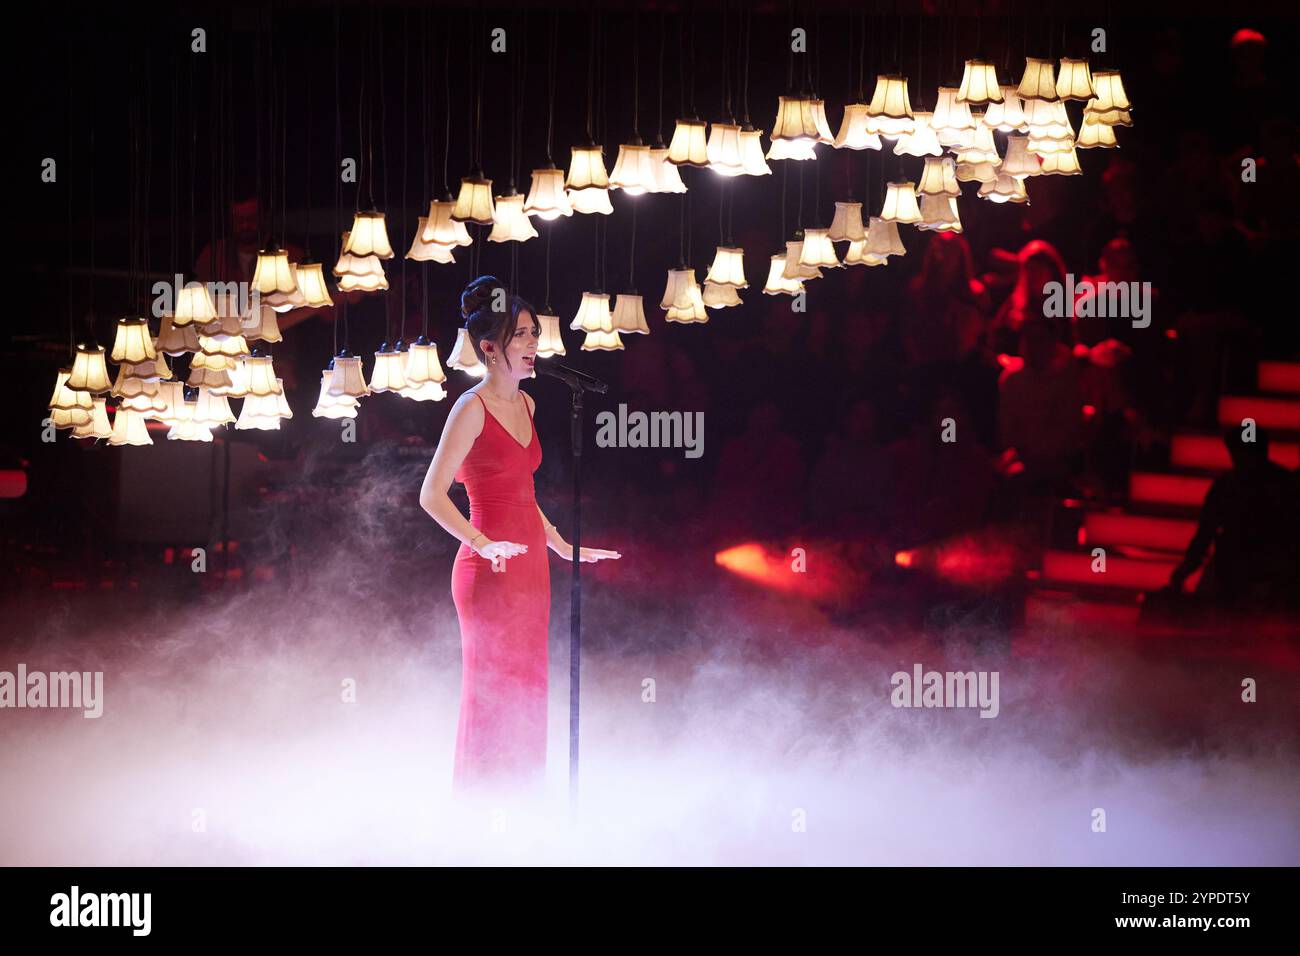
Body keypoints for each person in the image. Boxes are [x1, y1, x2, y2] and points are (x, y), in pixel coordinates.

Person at [418, 276, 620, 797]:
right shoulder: (471, 407)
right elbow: (432, 495)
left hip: (530, 565)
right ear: (489, 348)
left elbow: (522, 494)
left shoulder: (529, 406)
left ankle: (521, 802)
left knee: (528, 686)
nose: (534, 345)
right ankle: (482, 809)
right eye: (521, 336)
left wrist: (558, 542)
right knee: (493, 689)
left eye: (534, 333)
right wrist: (482, 543)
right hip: (488, 570)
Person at [1167, 426, 1300, 609]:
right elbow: (1205, 532)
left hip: (1268, 571)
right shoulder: (1228, 486)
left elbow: (1205, 533)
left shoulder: (1282, 486)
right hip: (1238, 569)